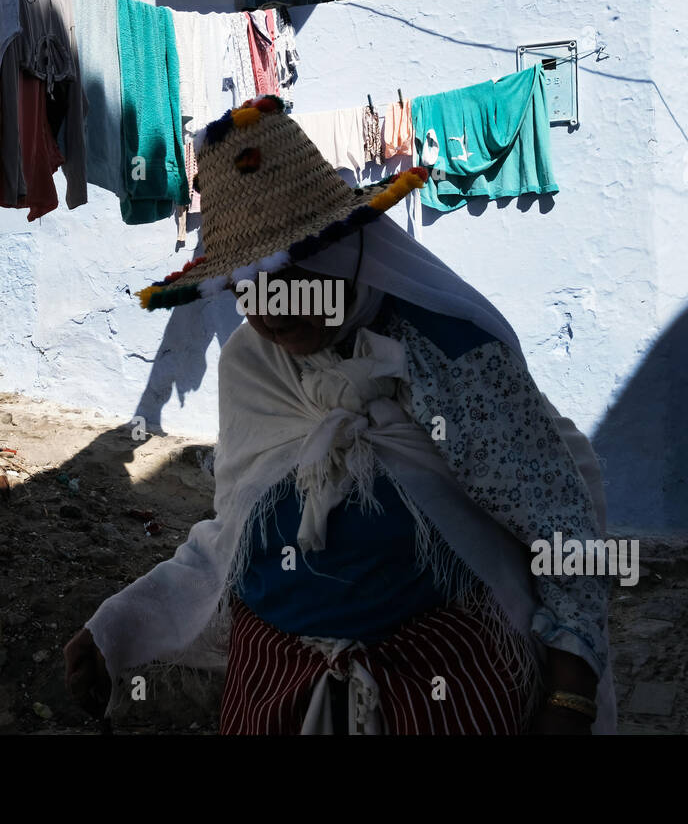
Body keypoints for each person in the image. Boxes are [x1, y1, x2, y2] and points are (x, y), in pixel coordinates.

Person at [64, 95, 615, 734]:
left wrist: (569, 693)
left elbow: (560, 525)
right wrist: (119, 625)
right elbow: (236, 528)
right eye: (246, 285)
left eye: (287, 274)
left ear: (342, 248)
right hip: (273, 687)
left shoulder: (449, 356)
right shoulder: (252, 368)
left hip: (440, 688)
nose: (269, 309)